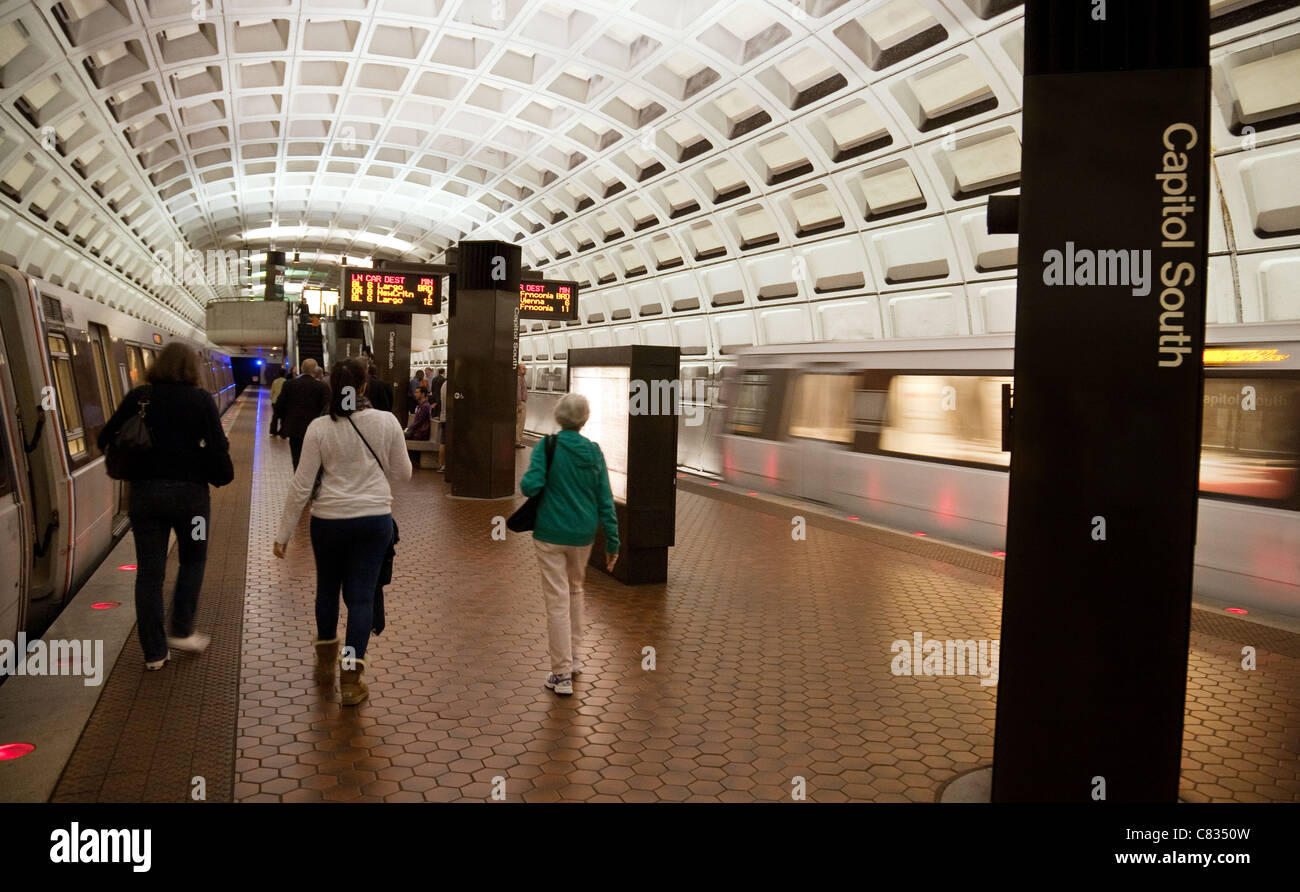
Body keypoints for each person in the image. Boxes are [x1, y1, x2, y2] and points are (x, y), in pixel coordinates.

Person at [273, 358, 412, 707]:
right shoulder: (387, 422)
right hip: (372, 521)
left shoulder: (320, 427)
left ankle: (323, 666)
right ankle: (350, 681)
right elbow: (404, 473)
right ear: (364, 386)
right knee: (362, 598)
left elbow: (301, 484)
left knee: (327, 590)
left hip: (328, 522)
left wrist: (284, 533)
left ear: (332, 386)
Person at [98, 342, 230, 670]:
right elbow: (219, 445)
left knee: (149, 573)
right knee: (194, 560)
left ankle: (154, 653)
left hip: (145, 498)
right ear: (191, 368)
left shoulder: (140, 397)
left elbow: (104, 437)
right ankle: (182, 631)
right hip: (192, 501)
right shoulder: (200, 400)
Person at [519, 393, 619, 697]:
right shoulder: (594, 451)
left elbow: (529, 486)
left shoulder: (547, 446)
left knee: (557, 601)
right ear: (584, 419)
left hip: (550, 533)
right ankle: (575, 659)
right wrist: (613, 541)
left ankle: (560, 673)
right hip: (583, 535)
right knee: (575, 590)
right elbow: (605, 498)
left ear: (558, 416)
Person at [277, 358, 330, 469]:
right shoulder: (322, 387)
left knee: (296, 459)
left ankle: (298, 478)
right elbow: (326, 408)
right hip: (315, 429)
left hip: (294, 428)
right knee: (312, 460)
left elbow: (280, 405)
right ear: (315, 369)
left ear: (301, 368)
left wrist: (285, 420)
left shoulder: (289, 384)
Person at [269, 366, 289, 437]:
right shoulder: (286, 382)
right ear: (285, 374)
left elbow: (272, 392)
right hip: (283, 402)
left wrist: (271, 398)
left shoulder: (275, 381)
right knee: (283, 418)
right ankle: (282, 432)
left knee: (275, 417)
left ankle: (273, 431)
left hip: (275, 401)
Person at [515, 362, 528, 448]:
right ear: (519, 370)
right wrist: (519, 404)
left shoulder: (521, 378)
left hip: (521, 403)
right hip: (521, 403)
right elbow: (518, 392)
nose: (525, 370)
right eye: (523, 368)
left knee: (518, 422)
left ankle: (517, 440)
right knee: (520, 423)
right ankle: (517, 442)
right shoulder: (519, 378)